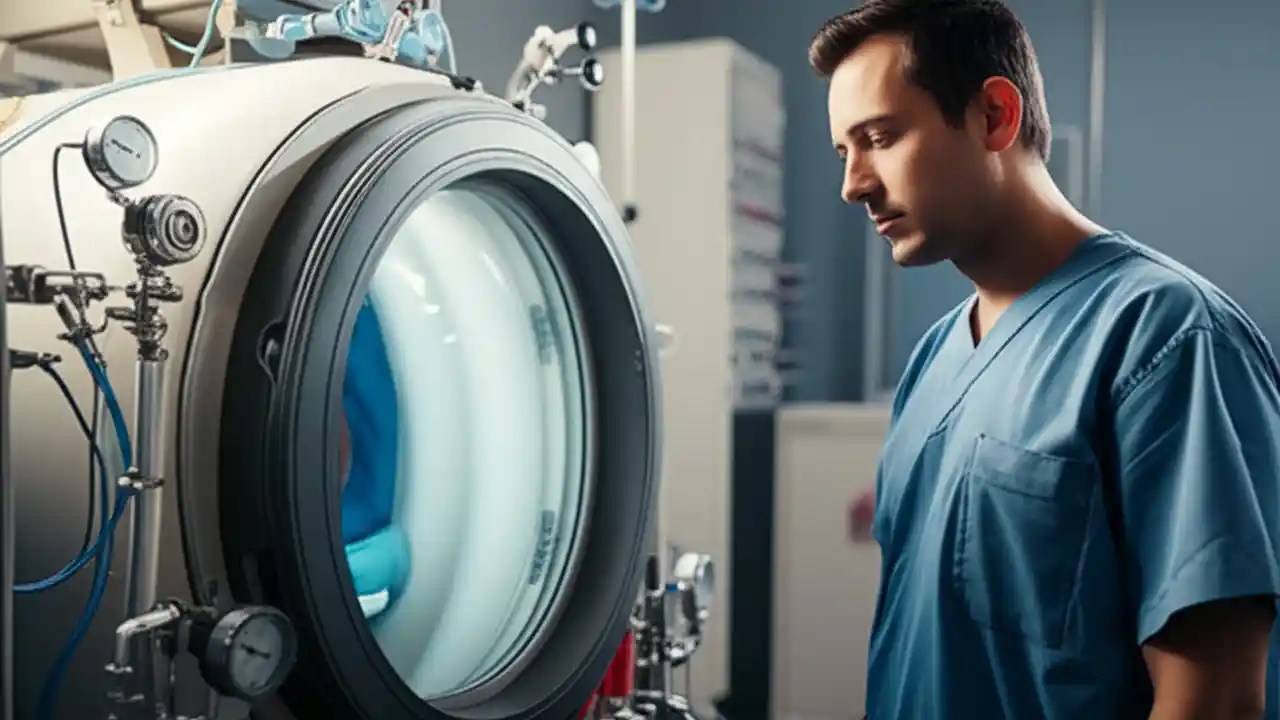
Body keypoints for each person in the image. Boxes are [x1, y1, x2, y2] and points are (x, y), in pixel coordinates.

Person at [810, 1, 1280, 718]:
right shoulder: (934, 359)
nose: (854, 184)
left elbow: (1211, 700)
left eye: (879, 137)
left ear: (997, 115)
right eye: (845, 152)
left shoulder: (1168, 337)